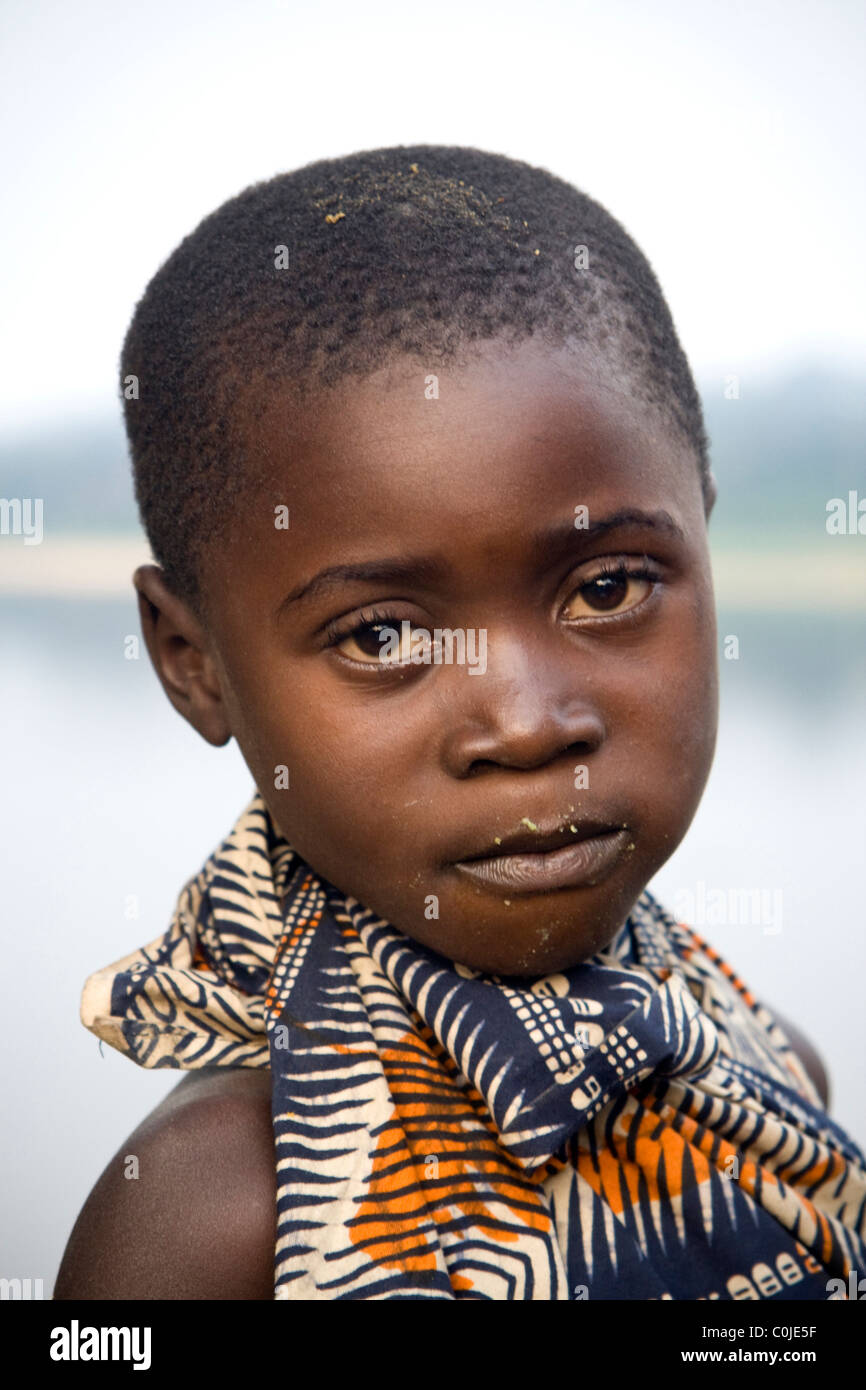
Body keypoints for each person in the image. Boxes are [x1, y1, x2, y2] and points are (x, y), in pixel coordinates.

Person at [55, 145, 864, 1301]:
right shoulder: (218, 1219)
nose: (528, 724)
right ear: (194, 663)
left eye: (606, 587)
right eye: (380, 637)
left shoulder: (766, 1077)